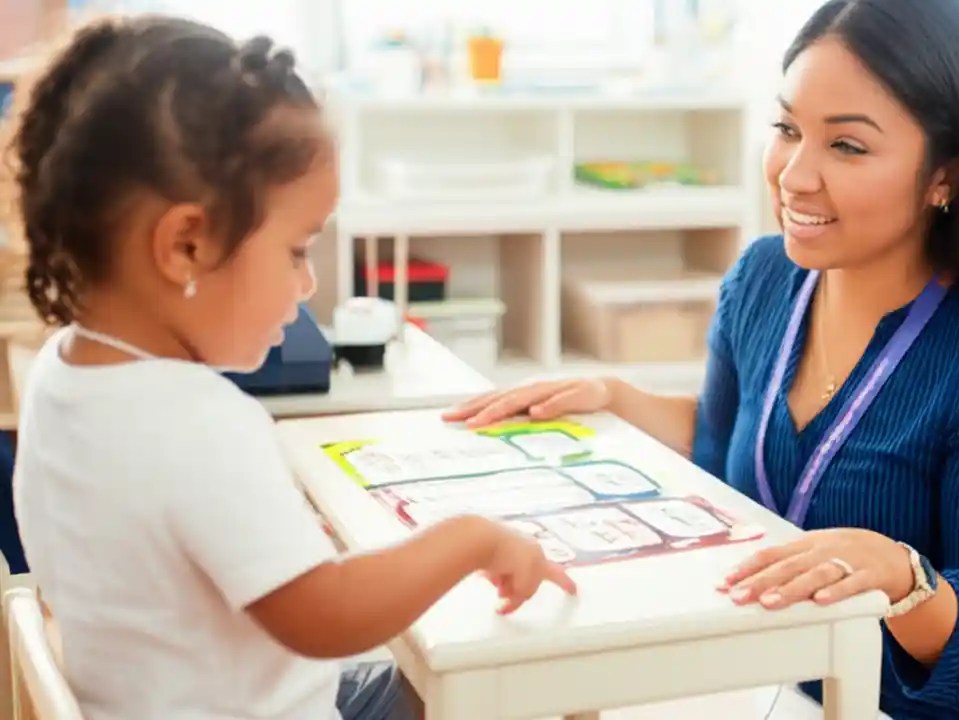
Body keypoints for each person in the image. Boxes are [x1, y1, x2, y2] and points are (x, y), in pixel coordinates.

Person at [446, 0, 959, 717]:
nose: (794, 175)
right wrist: (617, 398)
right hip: (805, 686)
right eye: (787, 129)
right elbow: (729, 443)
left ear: (947, 176)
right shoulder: (766, 277)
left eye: (848, 147)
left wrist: (902, 578)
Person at [10, 16, 574, 720]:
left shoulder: (59, 375)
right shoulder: (200, 423)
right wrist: (473, 536)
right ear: (186, 245)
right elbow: (328, 618)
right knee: (531, 684)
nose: (308, 287)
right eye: (297, 251)